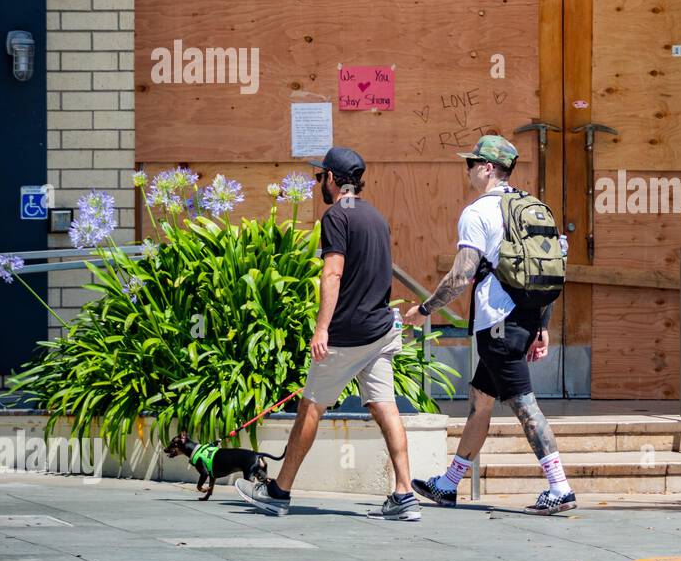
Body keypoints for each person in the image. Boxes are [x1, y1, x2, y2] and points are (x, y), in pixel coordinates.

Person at [236, 147, 420, 521]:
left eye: (321, 176)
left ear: (333, 179)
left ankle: (279, 491)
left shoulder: (336, 215)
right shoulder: (376, 217)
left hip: (347, 335)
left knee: (311, 406)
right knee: (385, 407)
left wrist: (322, 328)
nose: (319, 181)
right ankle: (404, 494)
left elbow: (333, 272)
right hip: (381, 331)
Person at [404, 135, 575, 515]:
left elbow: (463, 273)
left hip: (497, 323)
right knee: (480, 401)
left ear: (486, 168)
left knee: (524, 405)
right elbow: (545, 271)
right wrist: (541, 325)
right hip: (522, 317)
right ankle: (448, 484)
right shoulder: (531, 207)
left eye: (470, 164)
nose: (466, 170)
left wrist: (426, 308)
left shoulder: (478, 212)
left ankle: (560, 486)